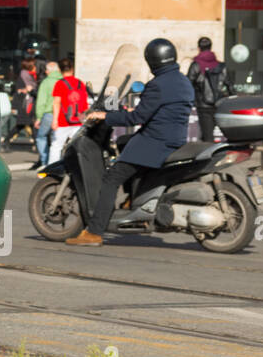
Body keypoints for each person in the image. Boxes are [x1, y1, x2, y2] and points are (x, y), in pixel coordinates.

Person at [66, 38, 195, 246]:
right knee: (126, 142)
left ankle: (94, 232)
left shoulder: (157, 85)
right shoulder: (183, 81)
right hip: (175, 139)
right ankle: (132, 199)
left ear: (152, 61)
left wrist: (104, 117)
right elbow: (161, 111)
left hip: (156, 142)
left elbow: (137, 119)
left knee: (111, 178)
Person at [186, 36, 232, 142]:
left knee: (207, 134)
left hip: (203, 104)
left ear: (199, 48)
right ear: (211, 47)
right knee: (210, 133)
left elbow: (188, 83)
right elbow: (229, 84)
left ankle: (207, 155)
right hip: (219, 103)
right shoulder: (221, 66)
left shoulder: (196, 65)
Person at [46, 58, 87, 165]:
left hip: (63, 121)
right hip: (79, 120)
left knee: (57, 146)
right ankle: (77, 167)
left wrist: (54, 120)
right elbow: (84, 103)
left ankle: (52, 168)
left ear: (59, 70)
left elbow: (56, 102)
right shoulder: (80, 83)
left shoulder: (60, 84)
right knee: (77, 146)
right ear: (72, 69)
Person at [33, 60, 62, 168]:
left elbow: (41, 101)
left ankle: (45, 161)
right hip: (61, 114)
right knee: (57, 139)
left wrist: (38, 117)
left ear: (48, 71)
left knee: (41, 137)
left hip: (48, 114)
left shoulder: (46, 82)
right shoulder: (63, 81)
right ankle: (57, 162)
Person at [7, 57, 38, 145]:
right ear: (30, 66)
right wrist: (14, 106)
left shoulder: (32, 75)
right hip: (24, 105)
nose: (36, 66)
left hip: (30, 104)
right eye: (34, 64)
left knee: (25, 125)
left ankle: (6, 141)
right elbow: (18, 92)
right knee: (25, 125)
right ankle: (37, 144)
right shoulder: (23, 76)